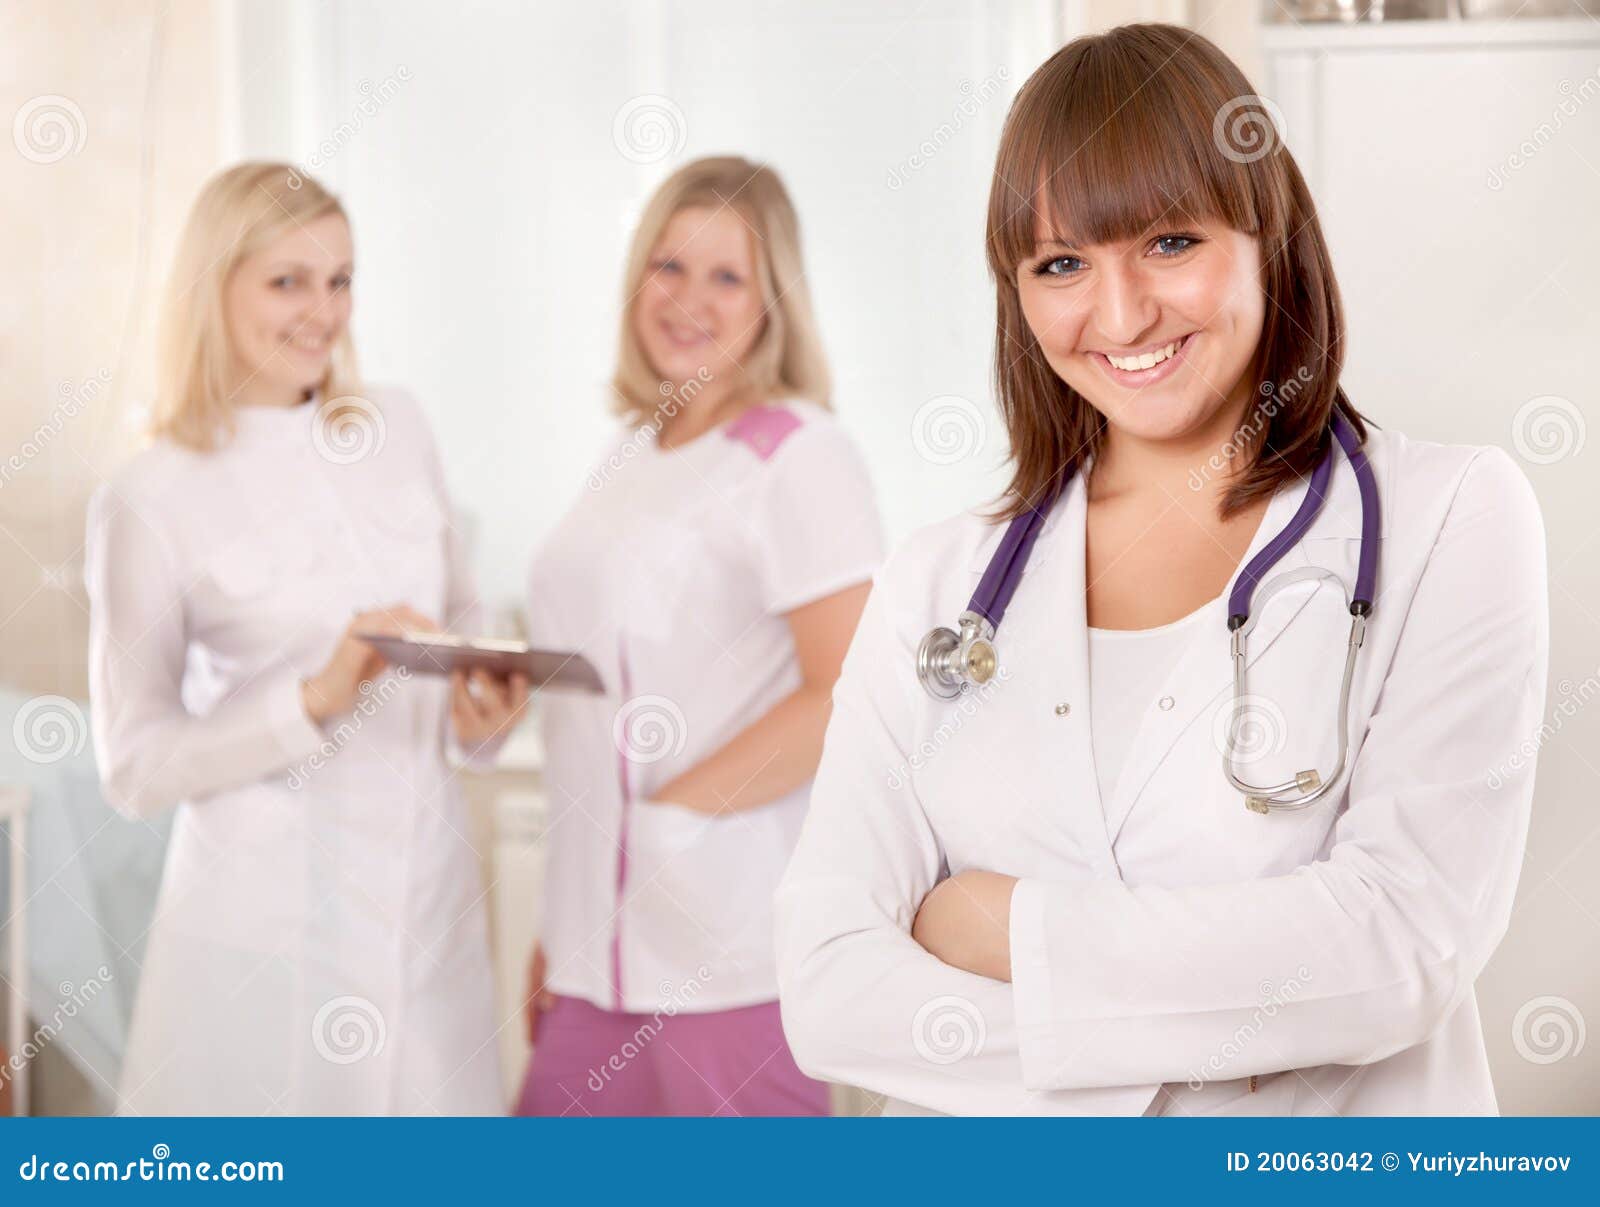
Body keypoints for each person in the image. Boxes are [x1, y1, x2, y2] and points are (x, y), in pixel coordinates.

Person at [774, 24, 1549, 1116]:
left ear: (1265, 233)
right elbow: (826, 991)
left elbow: (1400, 946)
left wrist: (995, 926)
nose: (1122, 314)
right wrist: (1223, 1043)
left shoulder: (1451, 517)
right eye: (1061, 265)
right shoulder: (938, 584)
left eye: (1168, 243)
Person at [86, 162, 526, 1115]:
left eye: (340, 280)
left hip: (426, 916)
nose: (321, 312)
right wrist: (313, 700)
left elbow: (464, 620)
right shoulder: (150, 499)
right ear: (214, 288)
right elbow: (134, 766)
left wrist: (482, 707)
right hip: (265, 934)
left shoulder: (397, 427)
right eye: (287, 281)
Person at [515, 156, 883, 1116]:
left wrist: (672, 820)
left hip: (725, 944)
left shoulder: (800, 452)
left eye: (727, 276)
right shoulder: (631, 450)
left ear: (774, 301)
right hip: (596, 947)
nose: (688, 299)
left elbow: (847, 690)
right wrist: (575, 912)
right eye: (668, 266)